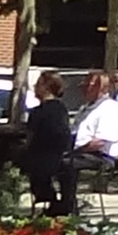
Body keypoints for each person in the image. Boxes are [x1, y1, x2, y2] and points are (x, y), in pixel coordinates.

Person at [19, 70, 78, 215]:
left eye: (38, 84)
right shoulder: (62, 109)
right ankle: (58, 204)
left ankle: (48, 199)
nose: (35, 87)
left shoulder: (38, 112)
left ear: (46, 87)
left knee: (6, 157)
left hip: (41, 159)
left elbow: (30, 137)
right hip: (60, 155)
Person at [73, 70, 118, 191]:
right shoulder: (85, 108)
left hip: (101, 157)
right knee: (46, 160)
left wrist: (75, 150)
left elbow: (99, 143)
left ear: (103, 87)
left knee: (64, 163)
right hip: (81, 153)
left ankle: (66, 203)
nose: (85, 88)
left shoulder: (110, 108)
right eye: (85, 84)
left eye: (91, 84)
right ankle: (53, 199)